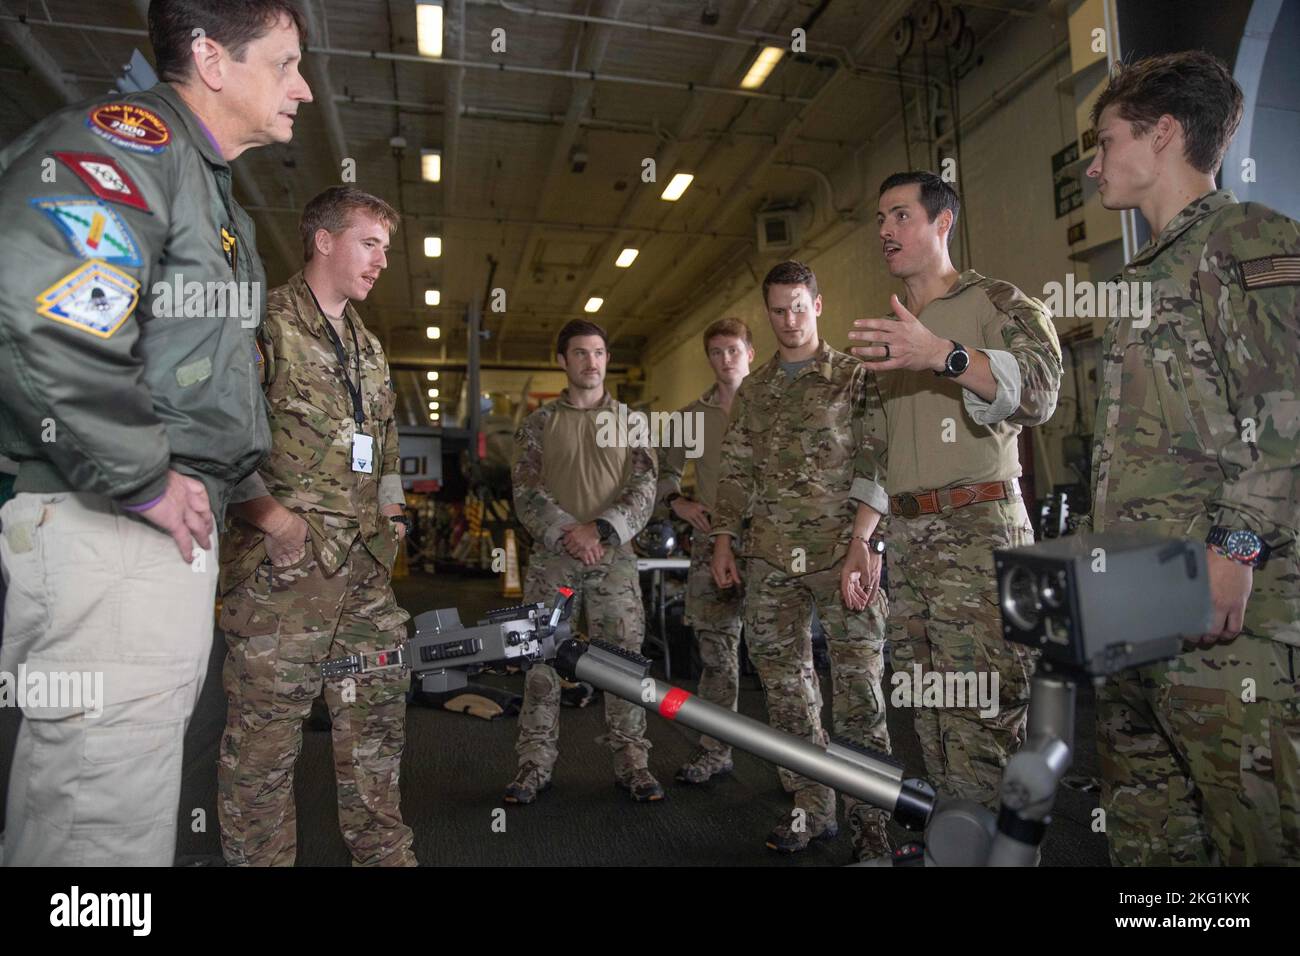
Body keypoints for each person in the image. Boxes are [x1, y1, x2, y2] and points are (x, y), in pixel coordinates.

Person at [0, 0, 311, 866]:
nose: (306, 88)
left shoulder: (201, 183)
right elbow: (43, 305)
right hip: (113, 522)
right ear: (213, 60)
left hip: (146, 526)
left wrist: (236, 489)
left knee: (89, 805)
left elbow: (192, 379)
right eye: (285, 63)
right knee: (100, 826)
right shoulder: (133, 144)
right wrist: (140, 474)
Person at [1084, 50, 1300, 865]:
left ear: (1164, 133)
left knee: (1258, 838)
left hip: (1229, 623)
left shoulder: (1247, 240)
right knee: (1153, 841)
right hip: (1140, 610)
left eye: (1107, 140)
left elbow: (1287, 413)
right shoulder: (1146, 273)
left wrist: (1235, 552)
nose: (1095, 160)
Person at [843, 171, 1062, 811]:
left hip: (980, 533)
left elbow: (1044, 390)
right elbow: (876, 451)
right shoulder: (892, 330)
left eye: (901, 215)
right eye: (880, 218)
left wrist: (944, 354)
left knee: (984, 719)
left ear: (942, 223)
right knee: (934, 726)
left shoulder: (996, 302)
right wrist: (863, 539)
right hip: (908, 543)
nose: (885, 230)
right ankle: (958, 843)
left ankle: (995, 852)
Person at [217, 186, 415, 866]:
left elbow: (387, 446)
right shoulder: (264, 325)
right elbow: (219, 436)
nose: (382, 260)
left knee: (377, 726)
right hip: (285, 578)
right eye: (370, 243)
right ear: (324, 240)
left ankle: (384, 855)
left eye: (387, 247)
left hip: (363, 572)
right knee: (266, 744)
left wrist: (392, 510)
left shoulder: (368, 347)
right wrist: (273, 521)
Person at [711, 261, 892, 858]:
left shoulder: (853, 376)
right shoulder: (758, 390)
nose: (788, 320)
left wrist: (864, 541)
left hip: (843, 554)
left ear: (818, 304)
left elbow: (878, 461)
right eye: (777, 310)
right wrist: (722, 539)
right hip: (770, 559)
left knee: (860, 693)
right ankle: (811, 808)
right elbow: (737, 470)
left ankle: (872, 828)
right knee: (786, 691)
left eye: (798, 306)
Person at [506, 320, 662, 803]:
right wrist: (569, 532)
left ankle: (633, 763)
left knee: (621, 667)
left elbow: (645, 488)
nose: (590, 361)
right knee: (540, 664)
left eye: (598, 352)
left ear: (606, 359)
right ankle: (533, 765)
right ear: (563, 361)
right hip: (555, 558)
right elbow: (526, 490)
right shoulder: (538, 425)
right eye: (580, 353)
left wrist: (601, 529)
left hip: (613, 559)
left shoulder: (632, 422)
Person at [657, 318, 754, 785]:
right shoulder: (690, 418)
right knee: (716, 654)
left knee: (784, 657)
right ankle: (716, 751)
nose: (725, 359)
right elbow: (663, 473)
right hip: (713, 541)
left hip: (770, 544)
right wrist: (679, 501)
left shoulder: (771, 407)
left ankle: (802, 772)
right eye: (716, 352)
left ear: (750, 353)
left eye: (733, 350)